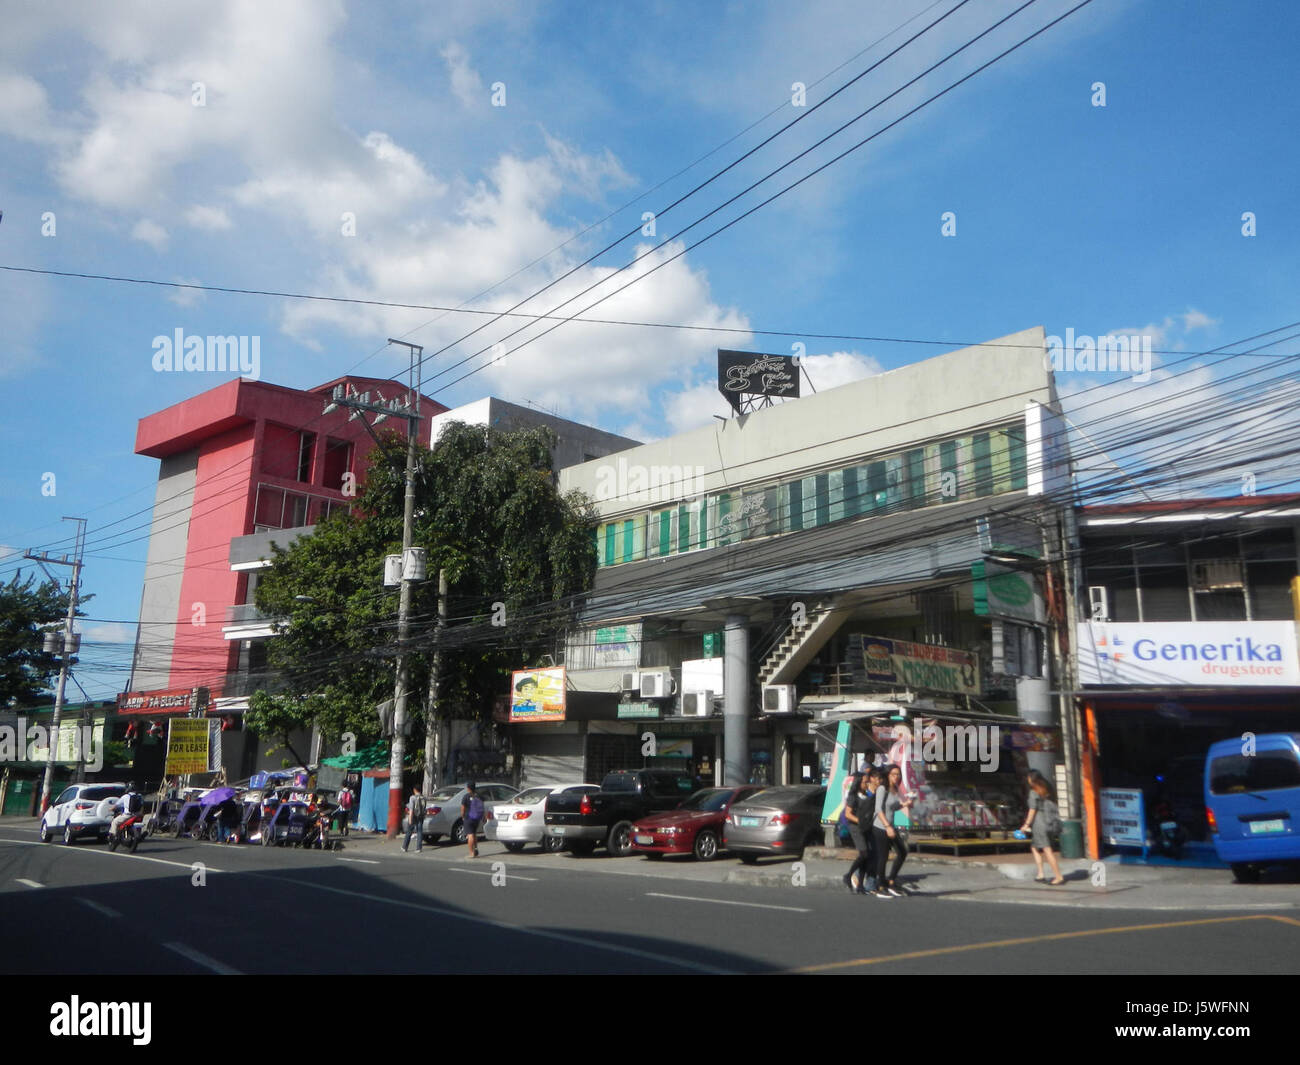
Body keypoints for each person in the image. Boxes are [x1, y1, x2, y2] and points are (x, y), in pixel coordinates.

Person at [870, 765, 912, 898]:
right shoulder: (882, 788)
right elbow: (879, 809)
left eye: (898, 774)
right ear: (888, 775)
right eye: (893, 774)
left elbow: (892, 807)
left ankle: (891, 881)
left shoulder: (895, 789)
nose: (896, 777)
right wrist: (887, 827)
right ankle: (880, 886)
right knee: (883, 857)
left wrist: (905, 804)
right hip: (881, 827)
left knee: (902, 852)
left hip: (890, 827)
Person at [1020, 770, 1065, 884]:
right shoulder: (1047, 789)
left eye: (1028, 778)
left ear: (1032, 779)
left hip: (1039, 823)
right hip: (1049, 821)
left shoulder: (1033, 792)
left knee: (1047, 849)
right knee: (1034, 847)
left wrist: (1026, 825)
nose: (1027, 779)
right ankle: (1040, 873)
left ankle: (1058, 876)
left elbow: (1032, 810)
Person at [842, 769, 881, 895]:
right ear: (859, 783)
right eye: (865, 782)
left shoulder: (866, 794)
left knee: (868, 855)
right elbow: (848, 814)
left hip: (866, 827)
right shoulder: (853, 796)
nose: (867, 783)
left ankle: (860, 885)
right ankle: (848, 875)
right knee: (863, 853)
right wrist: (859, 820)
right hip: (856, 827)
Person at [462, 781, 485, 858]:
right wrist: (483, 817)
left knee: (470, 835)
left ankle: (471, 853)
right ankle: (475, 848)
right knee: (474, 834)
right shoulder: (479, 796)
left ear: (468, 788)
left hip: (469, 818)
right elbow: (482, 807)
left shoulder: (466, 796)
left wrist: (462, 816)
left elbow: (463, 808)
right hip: (477, 818)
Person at [402, 786, 426, 853]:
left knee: (409, 831)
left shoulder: (412, 798)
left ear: (414, 790)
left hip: (414, 816)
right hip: (421, 816)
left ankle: (404, 847)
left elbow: (411, 809)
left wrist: (410, 818)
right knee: (420, 832)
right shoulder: (424, 797)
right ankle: (419, 848)